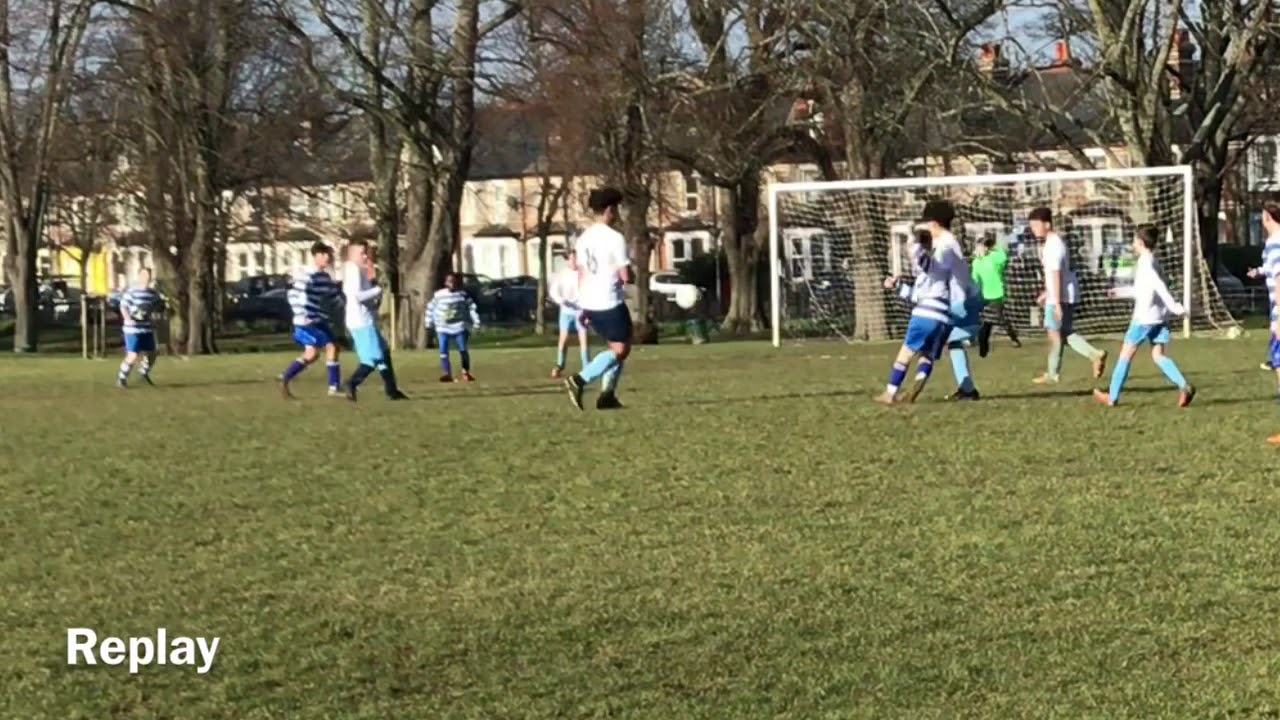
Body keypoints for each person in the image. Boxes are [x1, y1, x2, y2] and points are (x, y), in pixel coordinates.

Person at [1093, 225, 1194, 407]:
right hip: (1159, 318)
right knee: (1158, 356)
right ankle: (1183, 385)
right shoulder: (1153, 261)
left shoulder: (1145, 263)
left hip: (1144, 318)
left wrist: (1175, 307)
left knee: (1125, 355)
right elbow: (1144, 290)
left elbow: (1159, 287)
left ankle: (1112, 397)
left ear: (1140, 242)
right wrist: (1120, 292)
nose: (1132, 244)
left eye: (1134, 240)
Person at [875, 207, 960, 405]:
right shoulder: (944, 266)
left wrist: (913, 240)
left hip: (925, 314)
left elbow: (920, 286)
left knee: (906, 353)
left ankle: (890, 393)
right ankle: (919, 380)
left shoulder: (929, 264)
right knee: (926, 354)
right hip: (944, 316)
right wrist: (897, 286)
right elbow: (916, 294)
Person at [564, 187, 631, 410]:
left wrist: (582, 306)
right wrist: (629, 276)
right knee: (620, 350)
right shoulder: (615, 238)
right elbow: (625, 275)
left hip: (589, 301)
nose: (618, 213)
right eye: (617, 208)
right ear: (610, 209)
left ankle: (607, 396)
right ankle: (579, 380)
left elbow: (581, 273)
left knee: (614, 347)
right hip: (609, 300)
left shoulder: (583, 239)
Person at [1028, 207, 1108, 384]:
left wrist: (1055, 302)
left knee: (1054, 335)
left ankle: (1053, 374)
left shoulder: (1053, 245)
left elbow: (1056, 274)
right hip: (1064, 294)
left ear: (1047, 224)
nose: (1033, 229)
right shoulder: (1054, 242)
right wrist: (1047, 292)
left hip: (1060, 297)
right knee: (1064, 333)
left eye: (1035, 225)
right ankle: (1094, 354)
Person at [341, 240, 407, 401]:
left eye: (366, 252)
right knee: (373, 358)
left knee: (383, 352)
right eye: (361, 253)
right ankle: (352, 383)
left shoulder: (358, 270)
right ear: (351, 255)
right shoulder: (353, 269)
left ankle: (392, 390)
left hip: (364, 318)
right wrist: (378, 290)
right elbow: (357, 296)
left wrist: (374, 299)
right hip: (360, 321)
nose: (365, 256)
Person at [279, 241, 343, 398]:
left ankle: (285, 378)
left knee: (312, 354)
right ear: (316, 256)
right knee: (332, 347)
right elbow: (294, 295)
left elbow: (334, 298)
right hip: (308, 321)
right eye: (324, 254)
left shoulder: (325, 277)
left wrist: (343, 305)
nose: (328, 257)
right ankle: (334, 388)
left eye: (329, 254)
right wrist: (302, 314)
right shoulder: (307, 275)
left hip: (317, 319)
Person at [425, 272, 480, 382]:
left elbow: (471, 308)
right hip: (442, 327)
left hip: (459, 326)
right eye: (450, 282)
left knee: (463, 350)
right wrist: (428, 322)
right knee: (443, 351)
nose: (452, 284)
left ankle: (466, 372)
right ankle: (447, 373)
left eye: (454, 282)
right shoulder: (439, 295)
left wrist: (476, 321)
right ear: (446, 283)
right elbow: (430, 308)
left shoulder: (462, 295)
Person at [971, 235, 1021, 356]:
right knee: (986, 321)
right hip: (984, 295)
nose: (978, 249)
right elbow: (975, 279)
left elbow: (1004, 256)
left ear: (986, 248)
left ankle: (1013, 338)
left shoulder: (994, 257)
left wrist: (993, 246)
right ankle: (980, 343)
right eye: (977, 247)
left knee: (997, 319)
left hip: (996, 293)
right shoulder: (976, 262)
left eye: (981, 247)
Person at [116, 268, 162, 388]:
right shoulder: (132, 292)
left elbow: (156, 307)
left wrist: (155, 318)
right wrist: (128, 319)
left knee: (152, 354)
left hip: (146, 328)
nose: (147, 278)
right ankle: (122, 378)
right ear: (140, 276)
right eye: (144, 275)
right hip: (133, 329)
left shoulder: (153, 294)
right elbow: (123, 306)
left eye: (149, 275)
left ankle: (143, 373)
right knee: (133, 355)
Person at [548, 249, 589, 379]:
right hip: (566, 311)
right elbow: (554, 291)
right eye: (572, 259)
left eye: (576, 259)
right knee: (564, 338)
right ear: (566, 261)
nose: (574, 262)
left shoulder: (583, 273)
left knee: (583, 338)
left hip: (581, 310)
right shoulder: (562, 274)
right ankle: (560, 365)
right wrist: (561, 301)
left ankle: (587, 366)